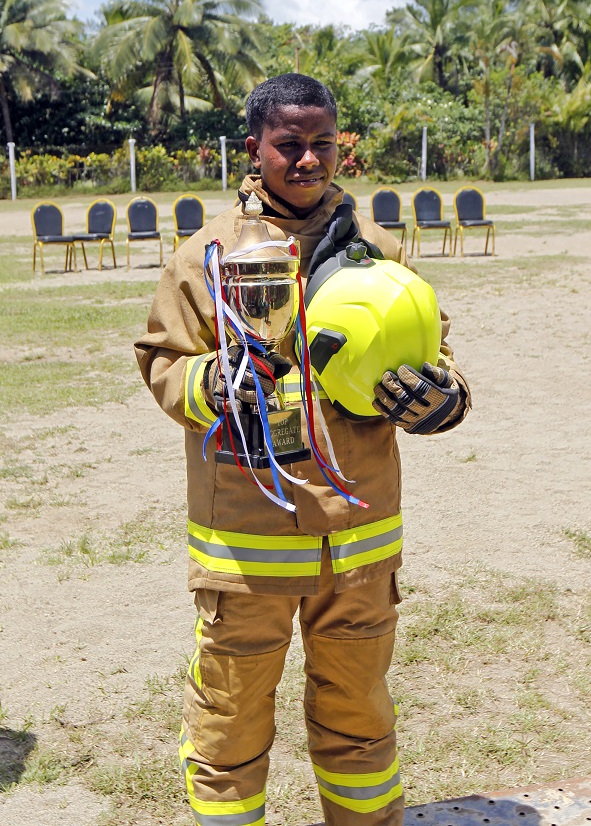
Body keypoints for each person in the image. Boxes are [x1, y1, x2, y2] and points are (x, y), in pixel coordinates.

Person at [135, 73, 471, 826]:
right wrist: (214, 382)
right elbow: (162, 362)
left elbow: (433, 348)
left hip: (359, 541)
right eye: (289, 144)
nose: (309, 159)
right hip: (246, 544)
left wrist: (443, 398)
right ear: (253, 147)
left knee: (360, 718)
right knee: (229, 725)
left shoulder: (376, 250)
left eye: (323, 143)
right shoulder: (205, 257)